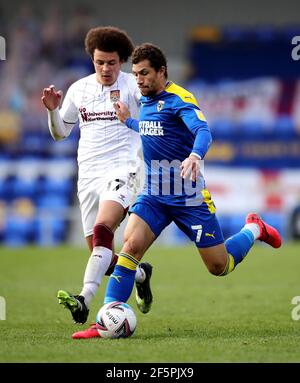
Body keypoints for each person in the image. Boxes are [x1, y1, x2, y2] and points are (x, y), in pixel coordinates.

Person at [72, 43, 282, 339]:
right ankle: (106, 319)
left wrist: (195, 156)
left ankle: (253, 229)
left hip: (188, 197)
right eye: (136, 74)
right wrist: (128, 121)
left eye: (145, 73)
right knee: (129, 248)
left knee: (219, 266)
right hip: (154, 195)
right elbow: (151, 129)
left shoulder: (180, 99)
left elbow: (203, 131)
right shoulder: (144, 99)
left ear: (162, 71)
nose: (139, 80)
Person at [41, 27, 153, 325]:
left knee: (105, 228)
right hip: (88, 175)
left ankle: (83, 299)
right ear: (92, 59)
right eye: (100, 62)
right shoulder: (79, 89)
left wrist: (133, 119)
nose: (105, 69)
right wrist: (53, 112)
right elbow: (60, 134)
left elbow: (157, 123)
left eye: (112, 63)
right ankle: (140, 273)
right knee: (100, 255)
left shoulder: (135, 87)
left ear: (122, 62)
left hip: (123, 168)